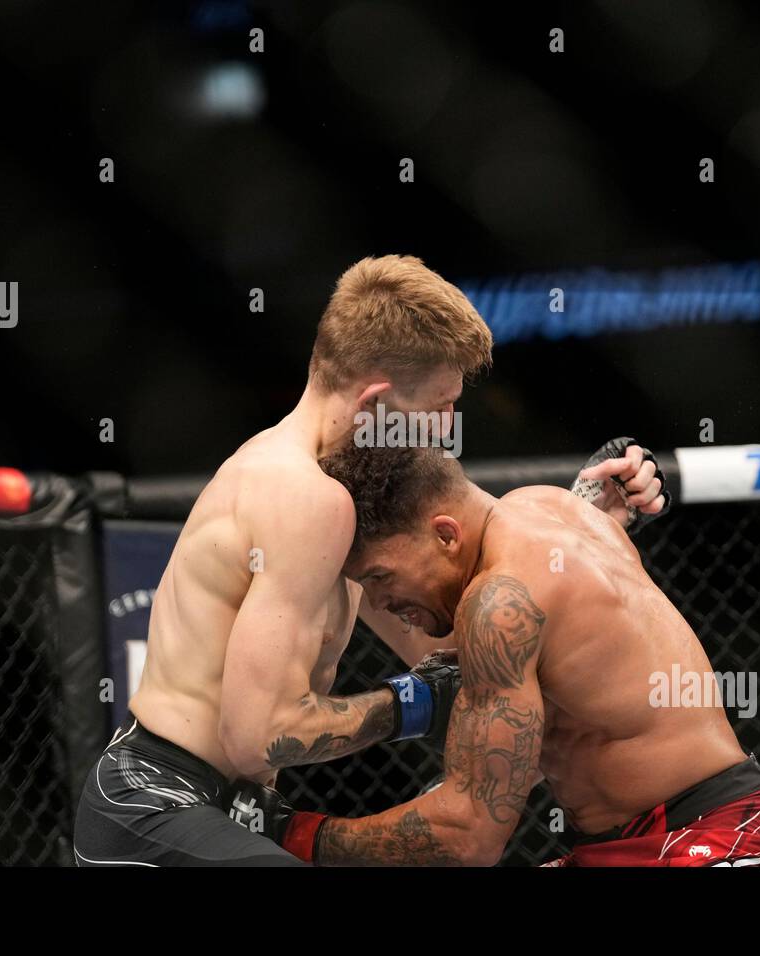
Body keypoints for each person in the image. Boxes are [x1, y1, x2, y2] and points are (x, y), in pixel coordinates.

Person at [72, 255, 669, 865]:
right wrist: (417, 703)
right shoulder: (304, 498)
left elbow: (481, 637)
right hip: (153, 801)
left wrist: (586, 517)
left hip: (225, 810)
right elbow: (256, 739)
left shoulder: (354, 506)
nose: (447, 429)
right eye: (440, 405)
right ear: (380, 401)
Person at [251, 441, 760, 867]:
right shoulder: (544, 507)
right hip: (659, 840)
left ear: (446, 534)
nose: (379, 601)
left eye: (379, 575)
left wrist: (291, 833)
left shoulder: (497, 600)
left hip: (716, 841)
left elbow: (467, 836)